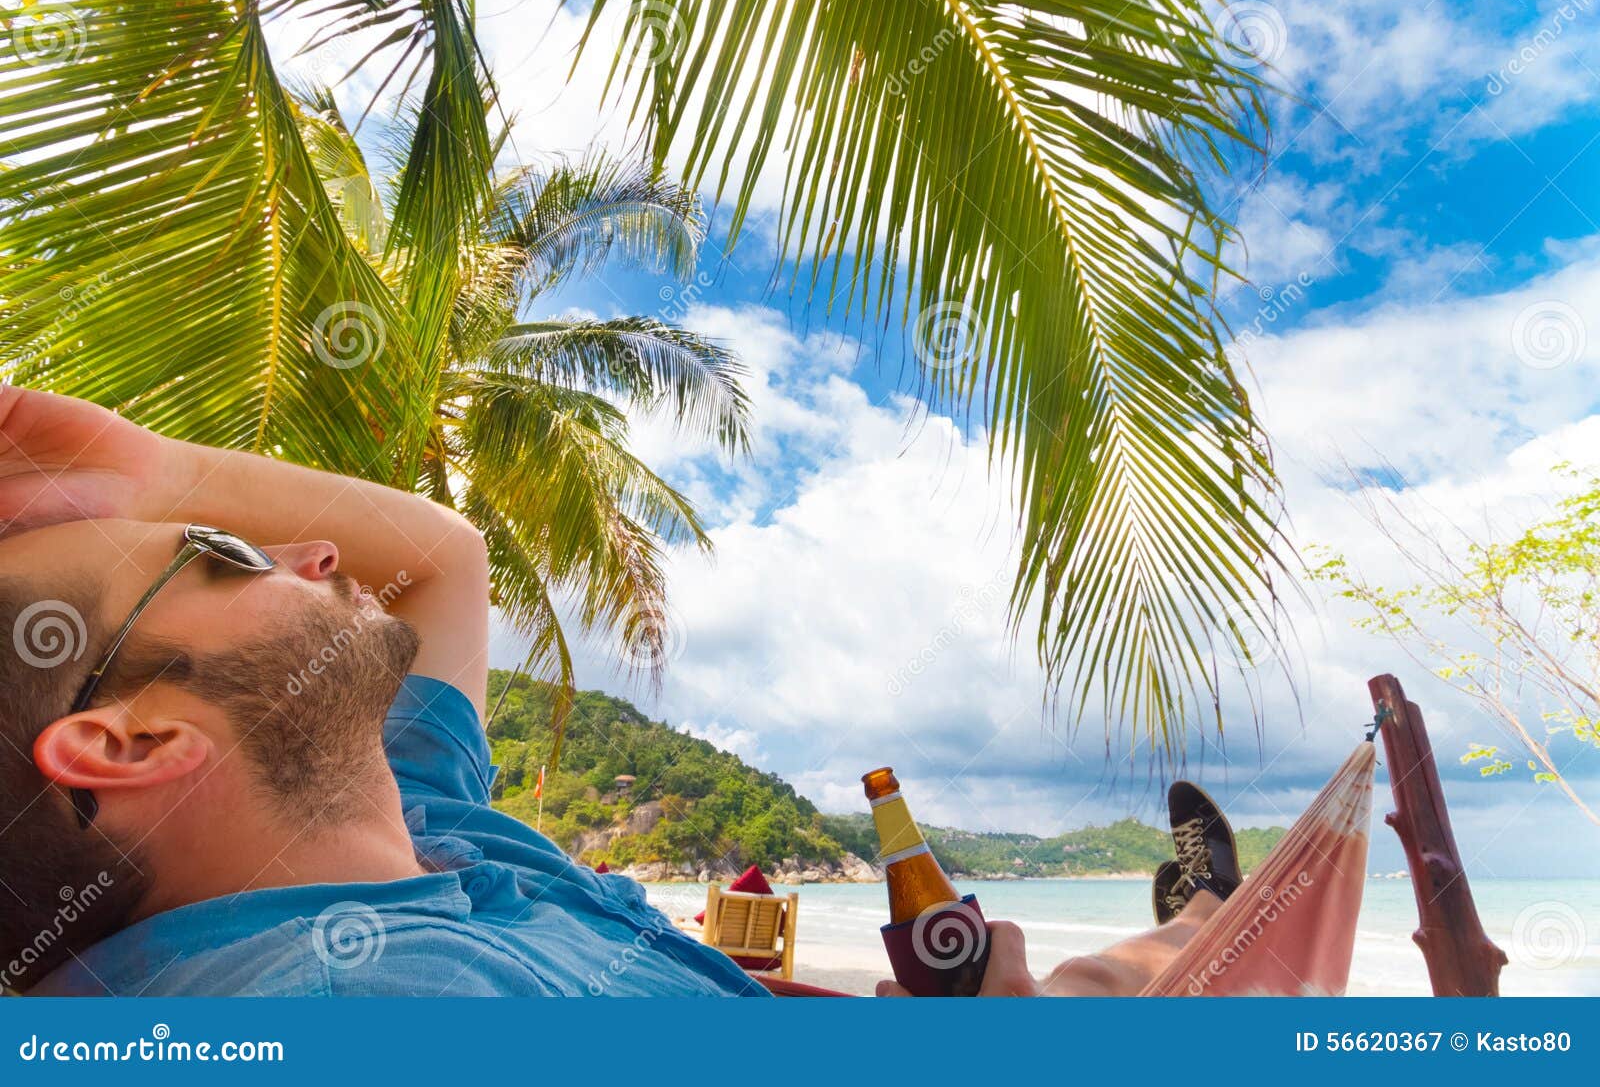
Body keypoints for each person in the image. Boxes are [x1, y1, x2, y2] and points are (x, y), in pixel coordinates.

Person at [0, 385, 1238, 997]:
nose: (316, 548)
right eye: (222, 555)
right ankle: (1210, 918)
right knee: (1176, 968)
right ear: (132, 740)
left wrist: (150, 479)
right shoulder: (372, 994)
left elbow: (440, 555)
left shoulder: (391, 815)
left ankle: (1198, 912)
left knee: (1143, 959)